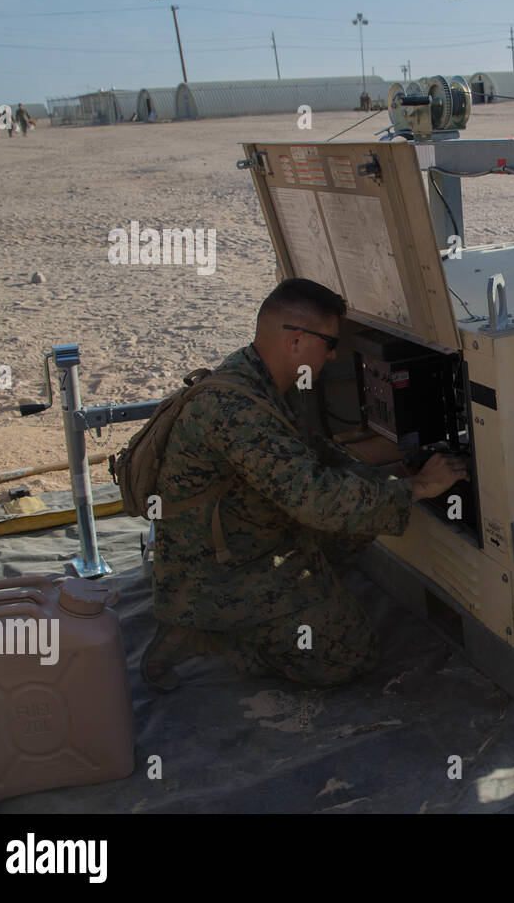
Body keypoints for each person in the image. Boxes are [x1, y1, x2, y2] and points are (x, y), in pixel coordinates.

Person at [144, 278, 469, 691]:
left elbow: (311, 460)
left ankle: (297, 598)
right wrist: (418, 488)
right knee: (349, 655)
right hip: (216, 571)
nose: (334, 354)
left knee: (362, 505)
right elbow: (316, 500)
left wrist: (395, 471)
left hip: (248, 534)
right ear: (295, 341)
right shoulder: (236, 410)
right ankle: (212, 632)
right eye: (329, 342)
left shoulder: (260, 378)